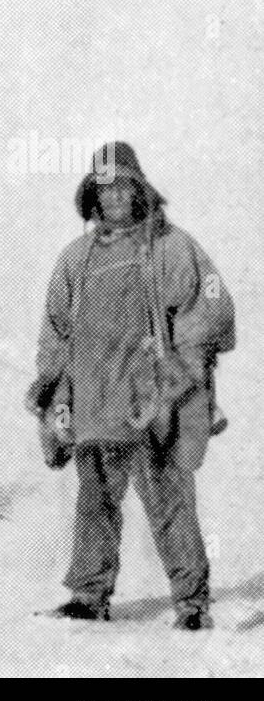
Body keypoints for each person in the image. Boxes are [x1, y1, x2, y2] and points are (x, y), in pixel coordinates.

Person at [28, 142, 235, 630]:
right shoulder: (74, 259)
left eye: (124, 186)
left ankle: (190, 603)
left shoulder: (173, 247)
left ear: (139, 190)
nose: (116, 197)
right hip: (94, 405)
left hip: (151, 403)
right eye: (105, 189)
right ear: (93, 198)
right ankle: (88, 595)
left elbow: (210, 311)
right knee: (94, 501)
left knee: (168, 502)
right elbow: (54, 334)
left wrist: (178, 378)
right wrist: (58, 397)